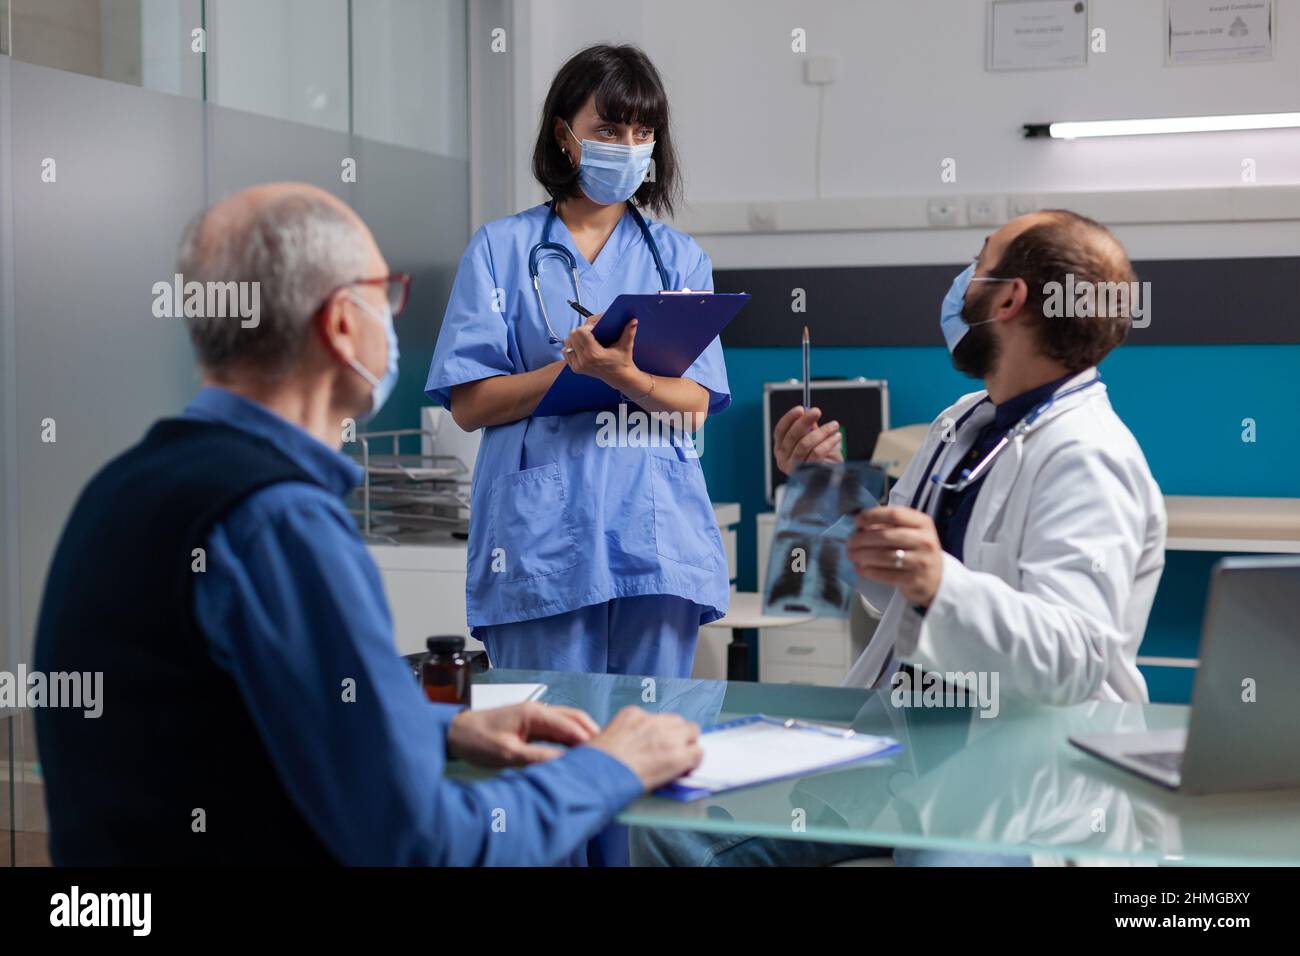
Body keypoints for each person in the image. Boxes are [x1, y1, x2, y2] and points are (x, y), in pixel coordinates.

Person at [34, 183, 702, 866]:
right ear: (343, 323)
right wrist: (615, 768)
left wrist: (442, 727)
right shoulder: (279, 523)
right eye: (388, 293)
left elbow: (235, 720)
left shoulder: (122, 487)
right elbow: (425, 844)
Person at [632, 209, 1167, 866]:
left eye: (978, 261)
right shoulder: (962, 425)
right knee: (661, 833)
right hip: (898, 757)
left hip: (1022, 783)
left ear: (1010, 297)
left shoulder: (1088, 455)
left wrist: (939, 580)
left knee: (939, 860)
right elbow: (888, 599)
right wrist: (823, 486)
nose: (961, 284)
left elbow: (1073, 660)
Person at [425, 44, 730, 682]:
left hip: (654, 538)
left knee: (651, 744)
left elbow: (696, 403)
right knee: (548, 739)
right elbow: (471, 402)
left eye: (643, 132)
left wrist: (625, 376)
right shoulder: (499, 250)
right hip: (540, 537)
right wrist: (574, 368)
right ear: (565, 136)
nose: (629, 145)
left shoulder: (679, 260)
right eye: (608, 130)